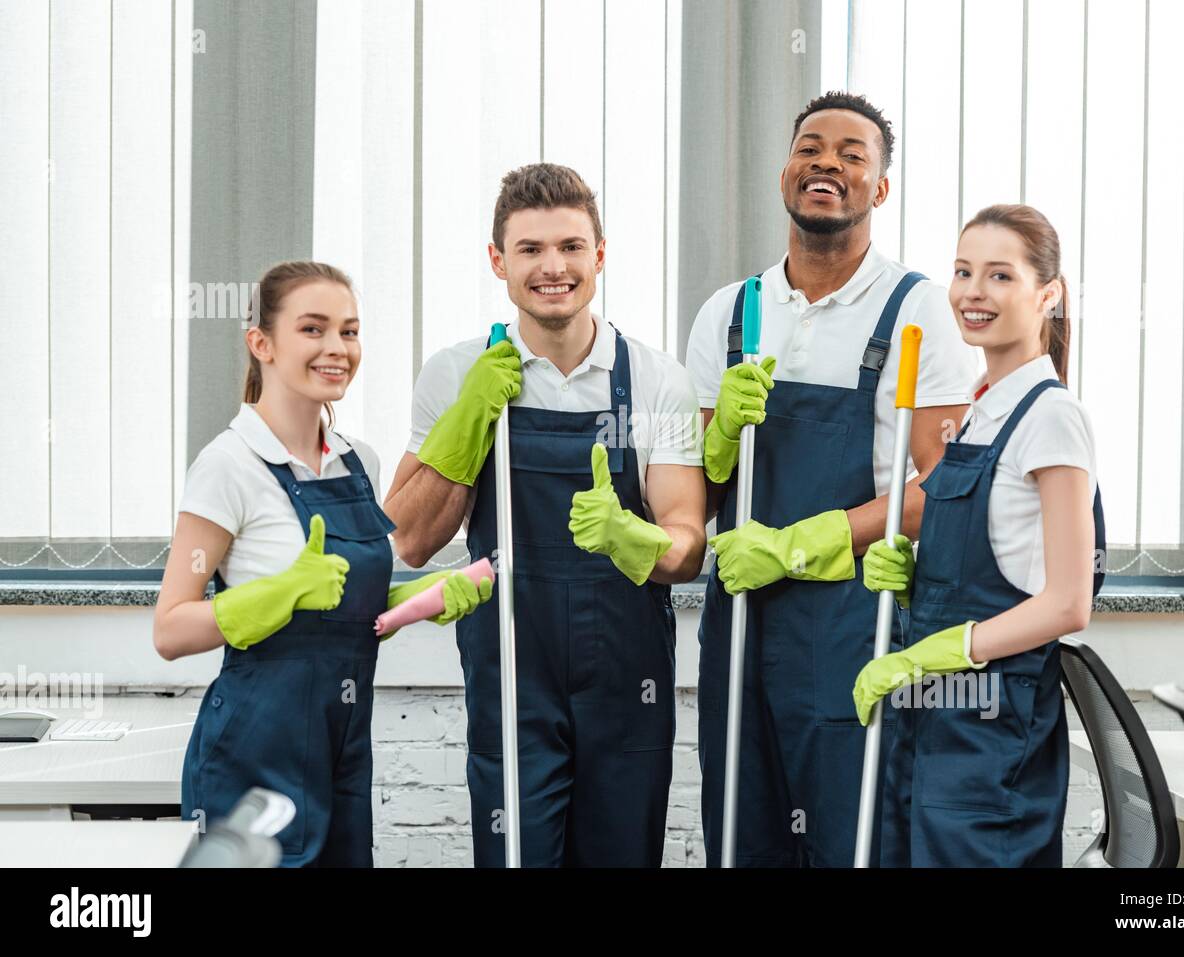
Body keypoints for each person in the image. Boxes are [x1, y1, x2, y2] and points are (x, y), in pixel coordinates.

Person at [384, 164, 707, 867]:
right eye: (529, 249)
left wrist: (633, 535)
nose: (552, 266)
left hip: (627, 680)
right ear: (498, 261)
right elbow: (410, 538)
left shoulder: (655, 379)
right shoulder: (455, 371)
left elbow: (689, 546)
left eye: (569, 246)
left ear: (600, 254)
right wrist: (468, 418)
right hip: (510, 670)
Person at [686, 91, 978, 866]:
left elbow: (944, 486)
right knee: (742, 823)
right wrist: (715, 440)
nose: (827, 163)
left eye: (854, 154)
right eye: (811, 147)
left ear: (879, 188)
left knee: (849, 832)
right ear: (785, 171)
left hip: (854, 617)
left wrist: (811, 541)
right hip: (742, 616)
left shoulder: (918, 310)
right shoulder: (729, 312)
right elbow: (695, 484)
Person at [155, 260, 489, 866]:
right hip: (255, 750)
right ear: (262, 343)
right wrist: (280, 593)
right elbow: (171, 629)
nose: (337, 348)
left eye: (349, 331)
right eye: (313, 329)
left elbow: (342, 605)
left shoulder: (357, 460)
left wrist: (419, 598)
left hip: (343, 742)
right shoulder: (229, 464)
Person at [857, 203, 1106, 867]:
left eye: (1000, 275)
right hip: (932, 725)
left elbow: (1068, 602)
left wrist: (939, 649)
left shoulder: (1051, 417)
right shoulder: (977, 412)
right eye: (964, 271)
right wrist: (915, 575)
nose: (973, 291)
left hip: (993, 736)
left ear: (1046, 294)